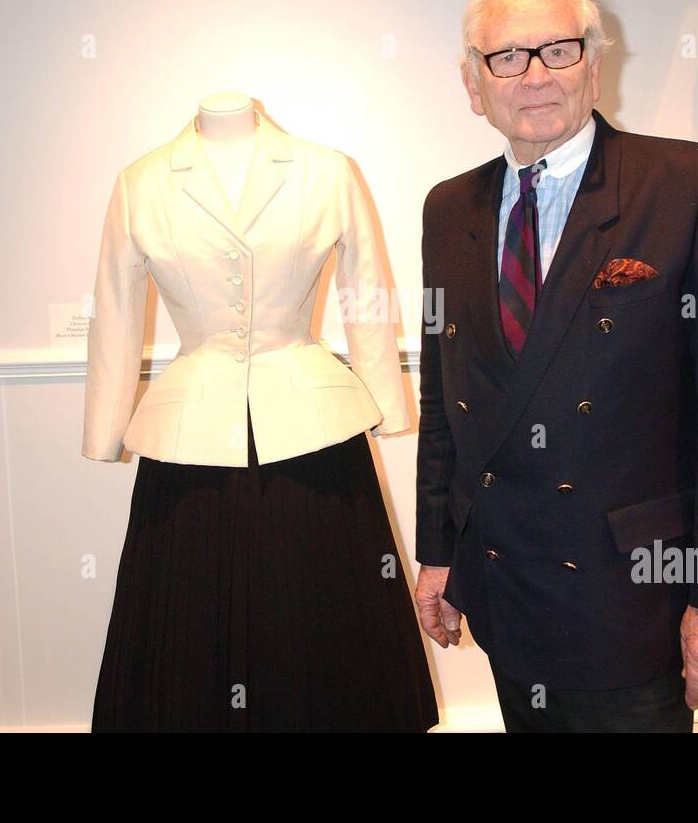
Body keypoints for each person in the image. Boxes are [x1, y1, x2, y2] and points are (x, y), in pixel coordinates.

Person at [414, 0, 698, 732]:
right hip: (504, 588)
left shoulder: (689, 183)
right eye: (506, 56)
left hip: (632, 598)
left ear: (596, 62)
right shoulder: (448, 210)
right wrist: (439, 551)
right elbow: (444, 404)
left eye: (559, 49)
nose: (535, 75)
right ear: (472, 83)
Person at [86, 95, 438, 731]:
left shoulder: (327, 170)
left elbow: (367, 289)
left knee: (322, 613)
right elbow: (113, 307)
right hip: (189, 443)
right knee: (191, 622)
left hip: (315, 438)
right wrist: (105, 427)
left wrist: (387, 403)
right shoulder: (141, 183)